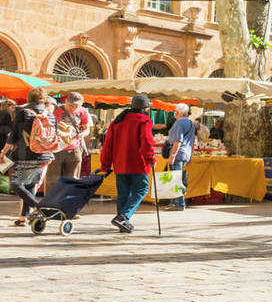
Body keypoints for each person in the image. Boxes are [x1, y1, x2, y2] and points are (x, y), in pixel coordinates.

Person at [99, 94, 156, 234]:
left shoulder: (117, 122)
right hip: (138, 164)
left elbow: (107, 145)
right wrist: (150, 158)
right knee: (141, 190)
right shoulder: (144, 120)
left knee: (123, 194)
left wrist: (105, 164)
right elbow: (147, 142)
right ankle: (123, 216)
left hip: (120, 164)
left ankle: (123, 222)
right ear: (145, 108)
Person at [3, 89, 58, 226]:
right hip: (44, 155)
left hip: (26, 155)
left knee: (16, 184)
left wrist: (3, 151)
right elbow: (55, 135)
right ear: (43, 99)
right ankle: (23, 218)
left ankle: (39, 208)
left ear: (29, 98)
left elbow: (13, 136)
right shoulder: (50, 115)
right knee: (30, 185)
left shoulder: (22, 113)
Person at [46, 91, 91, 187]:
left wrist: (83, 134)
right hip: (56, 149)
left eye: (76, 106)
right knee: (52, 180)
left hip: (74, 149)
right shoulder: (56, 110)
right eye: (71, 105)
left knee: (73, 180)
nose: (73, 108)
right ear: (65, 101)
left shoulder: (83, 111)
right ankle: (51, 201)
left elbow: (86, 129)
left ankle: (68, 201)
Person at [165, 103, 195, 210]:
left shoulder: (179, 123)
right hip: (185, 153)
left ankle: (180, 204)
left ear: (177, 113)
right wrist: (190, 156)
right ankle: (174, 202)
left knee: (176, 178)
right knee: (176, 177)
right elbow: (192, 142)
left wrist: (172, 156)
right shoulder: (191, 123)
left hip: (178, 154)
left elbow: (178, 141)